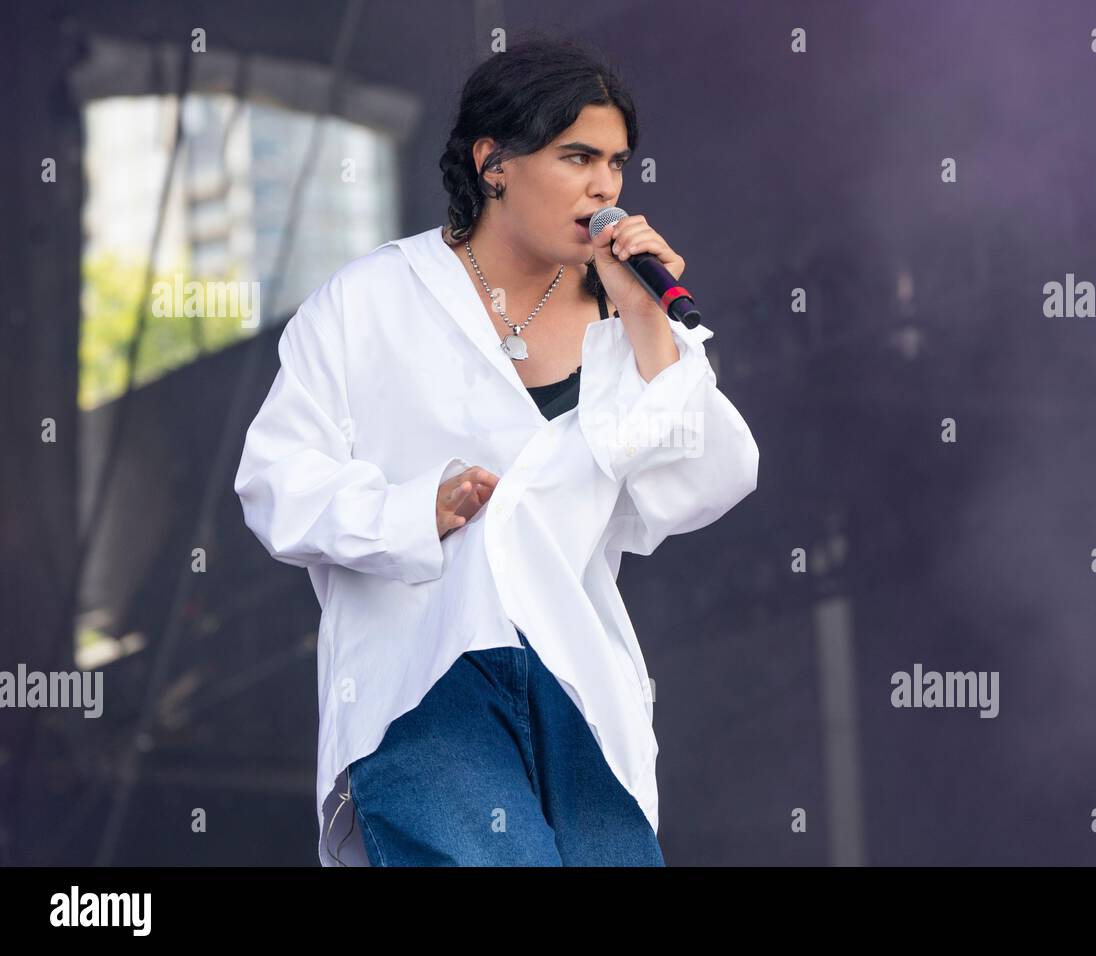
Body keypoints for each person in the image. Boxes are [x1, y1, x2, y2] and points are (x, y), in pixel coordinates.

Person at [233, 34, 759, 866]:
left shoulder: (632, 321)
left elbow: (714, 478)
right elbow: (275, 483)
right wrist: (414, 510)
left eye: (618, 163)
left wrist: (649, 323)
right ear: (494, 162)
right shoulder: (368, 300)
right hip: (424, 675)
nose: (605, 186)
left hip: (576, 686)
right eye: (578, 155)